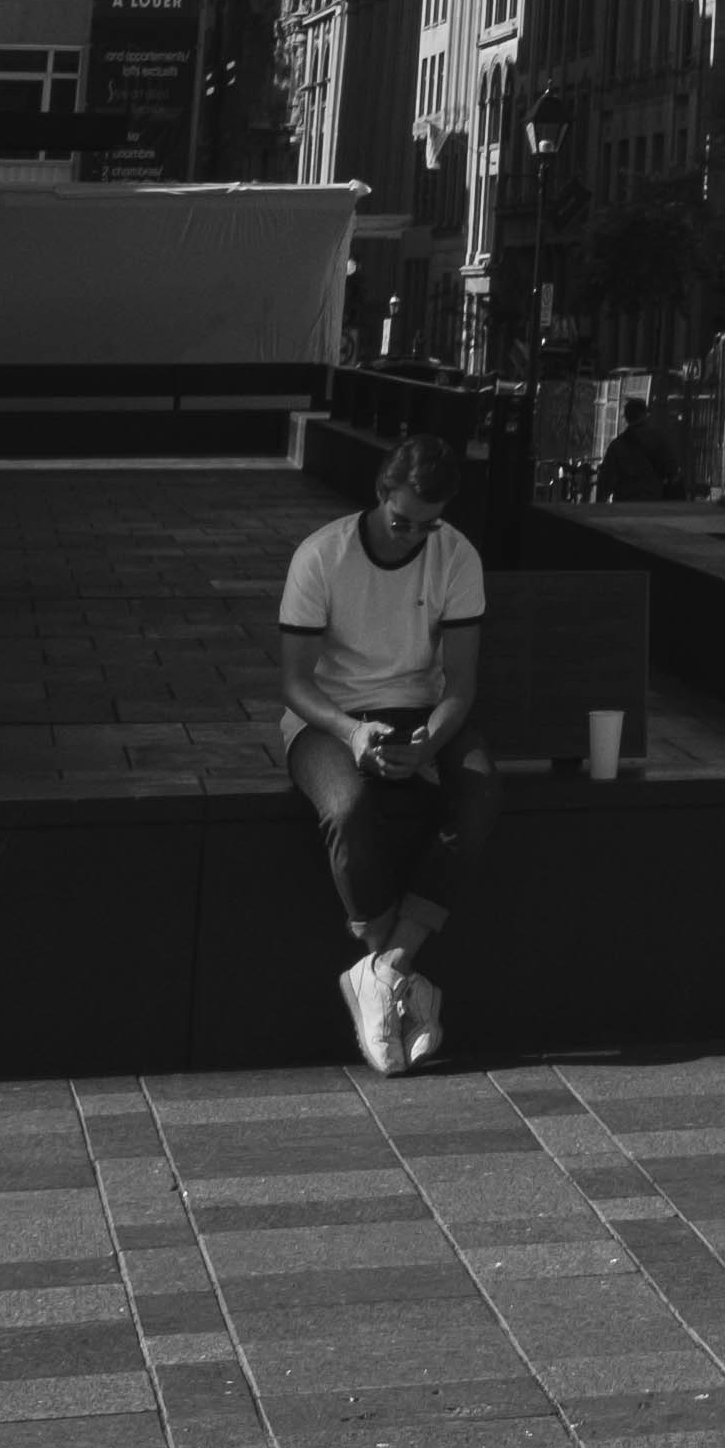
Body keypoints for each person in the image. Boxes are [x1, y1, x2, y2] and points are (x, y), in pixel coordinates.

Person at [279, 433, 498, 1068]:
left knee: (480, 789)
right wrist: (351, 733)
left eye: (427, 527)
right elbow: (293, 682)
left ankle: (382, 972)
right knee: (348, 806)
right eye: (402, 521)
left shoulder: (456, 556)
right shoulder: (322, 556)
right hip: (325, 715)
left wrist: (430, 737)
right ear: (380, 495)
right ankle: (405, 985)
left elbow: (462, 684)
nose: (411, 536)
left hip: (418, 713)